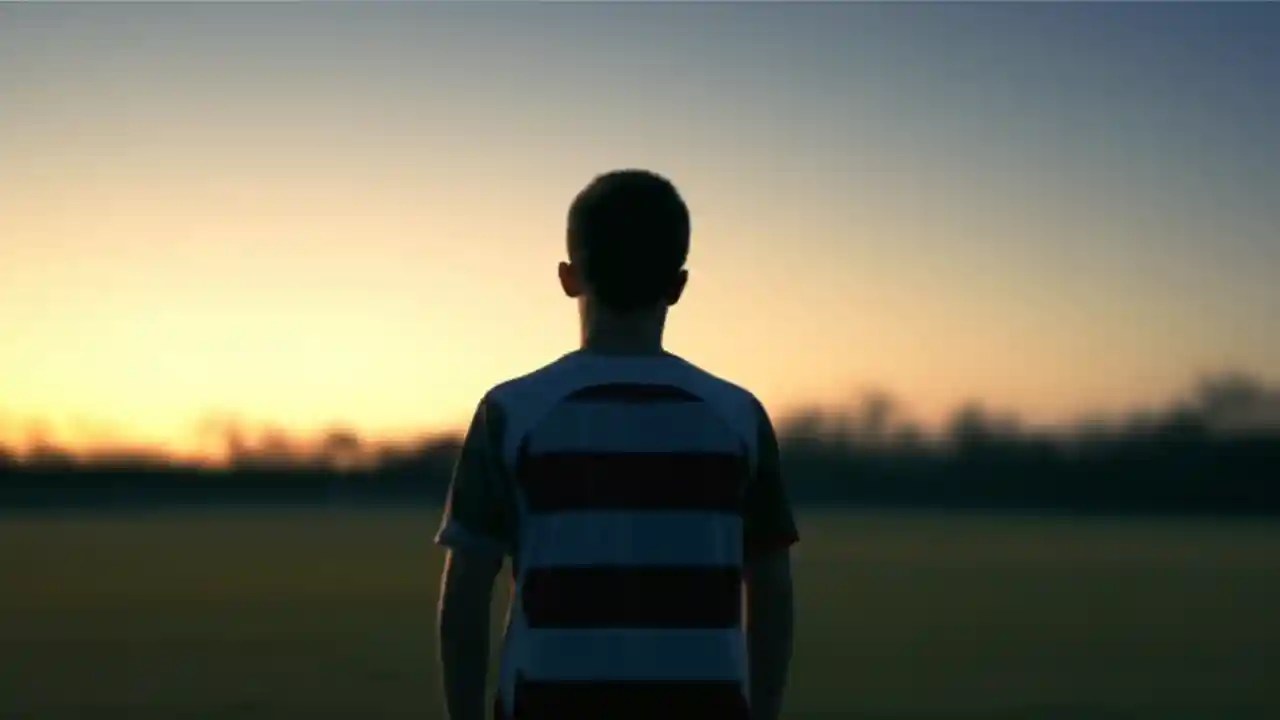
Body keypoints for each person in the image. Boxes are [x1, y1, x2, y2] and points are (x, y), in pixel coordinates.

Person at [435, 169, 799, 720]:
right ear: (678, 285)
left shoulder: (511, 413)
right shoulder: (739, 418)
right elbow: (770, 588)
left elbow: (465, 593)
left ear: (568, 276)